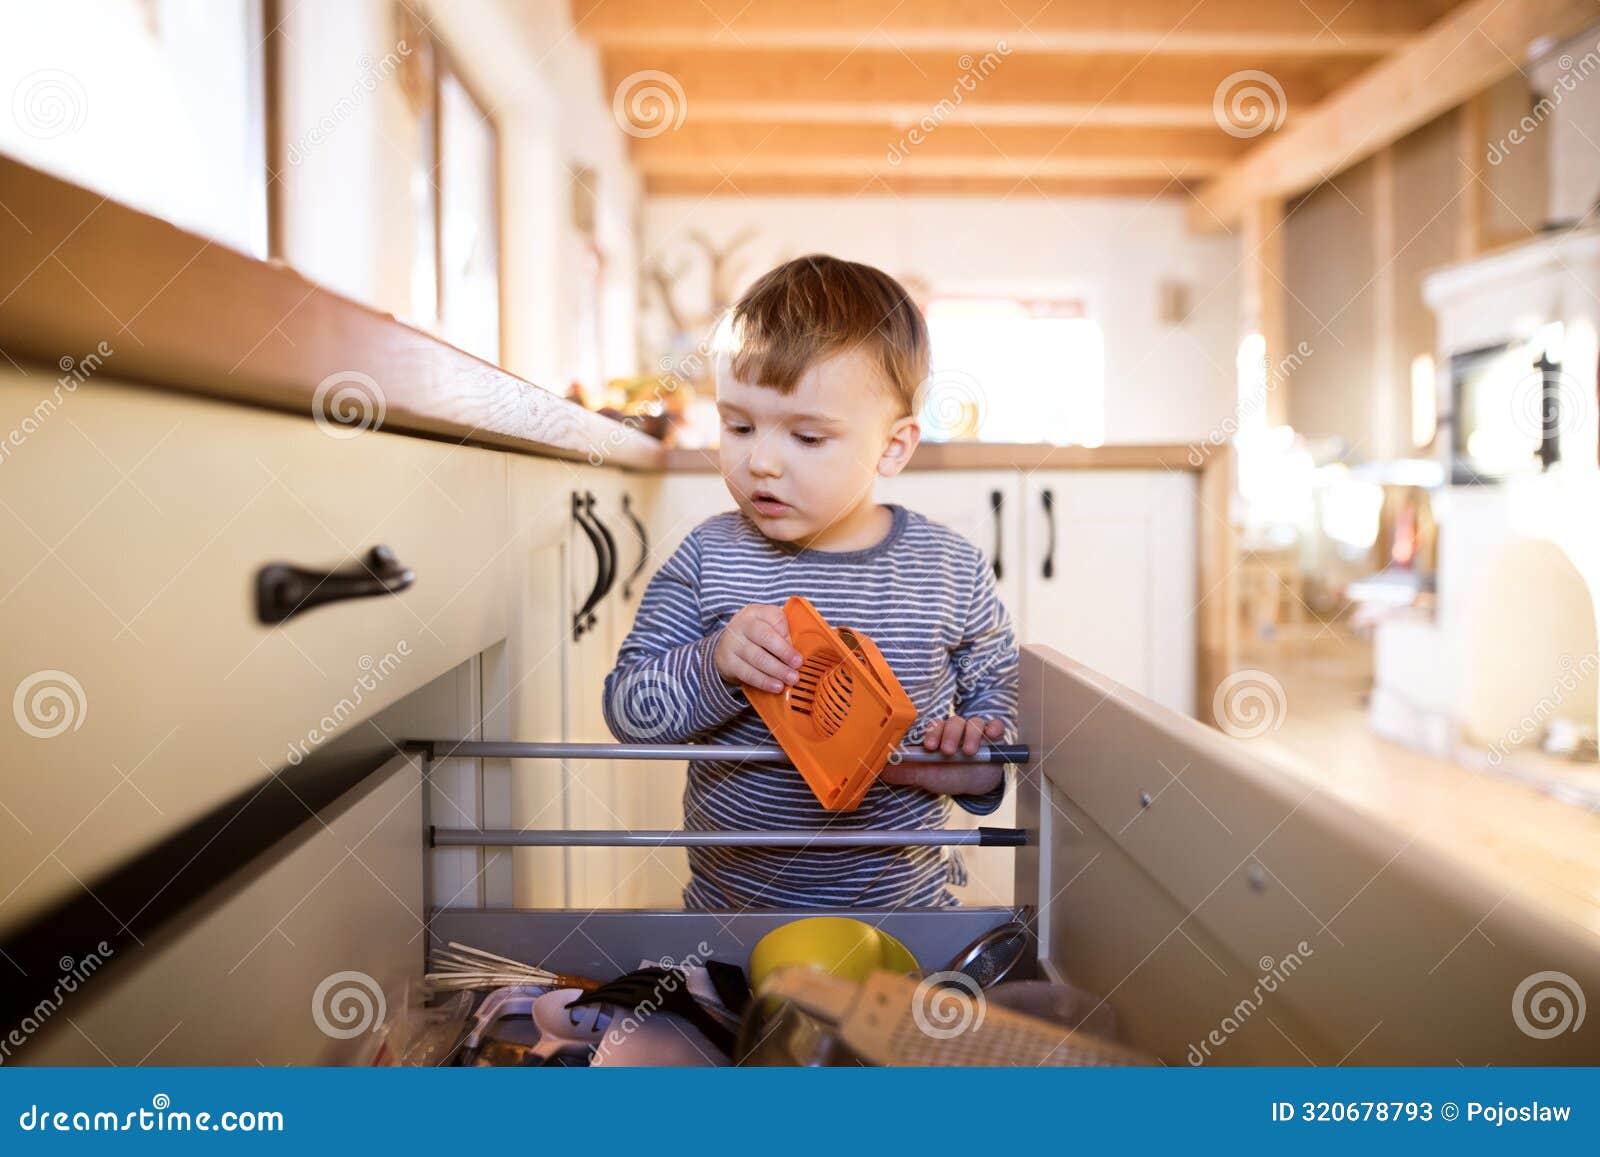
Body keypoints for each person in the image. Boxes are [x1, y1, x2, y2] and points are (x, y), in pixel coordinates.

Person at [603, 255, 1019, 909]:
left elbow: (1001, 691)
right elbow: (629, 710)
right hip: (730, 922)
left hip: (906, 918)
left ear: (894, 446)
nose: (760, 461)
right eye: (738, 425)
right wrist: (717, 665)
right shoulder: (710, 556)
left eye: (806, 435)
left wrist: (976, 759)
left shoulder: (949, 569)